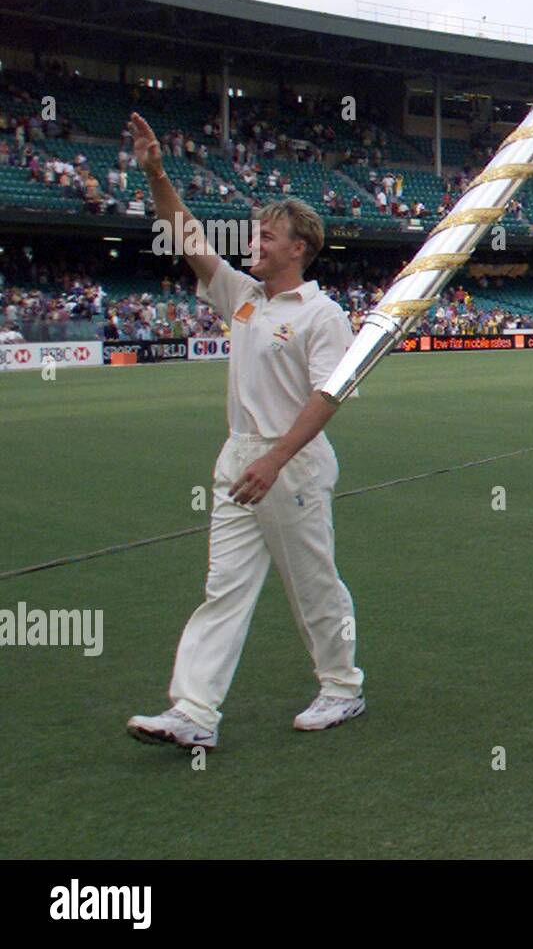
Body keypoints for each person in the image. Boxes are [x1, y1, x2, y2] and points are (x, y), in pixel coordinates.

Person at [124, 112, 365, 751]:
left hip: (294, 465)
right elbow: (187, 237)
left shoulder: (322, 314)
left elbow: (329, 394)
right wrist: (156, 173)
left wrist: (278, 460)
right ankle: (195, 710)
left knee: (313, 583)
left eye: (267, 234)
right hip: (239, 459)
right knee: (223, 587)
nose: (253, 241)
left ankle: (342, 688)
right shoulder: (244, 296)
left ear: (299, 247)